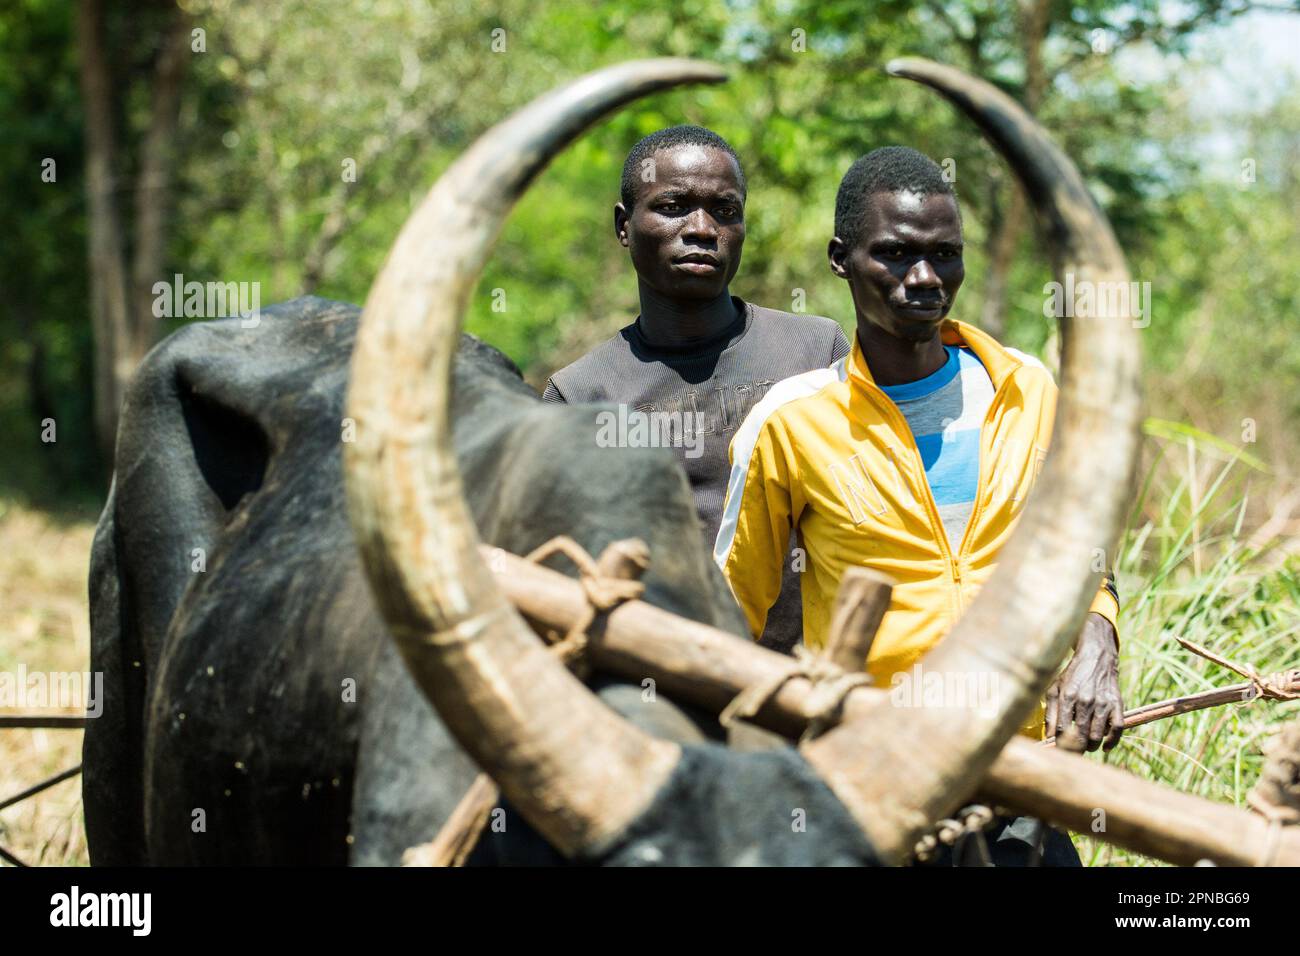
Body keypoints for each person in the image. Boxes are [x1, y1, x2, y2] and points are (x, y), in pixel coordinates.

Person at [714, 146, 1123, 864]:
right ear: (841, 260)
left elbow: (1082, 553)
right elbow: (729, 615)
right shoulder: (790, 422)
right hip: (870, 794)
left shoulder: (1028, 391)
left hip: (1025, 787)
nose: (926, 278)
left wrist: (1099, 640)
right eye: (897, 255)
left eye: (945, 255)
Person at [542, 126, 849, 652]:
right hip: (657, 687)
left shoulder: (815, 353)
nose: (702, 228)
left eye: (725, 211)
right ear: (624, 225)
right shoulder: (580, 396)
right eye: (674, 207)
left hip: (806, 685)